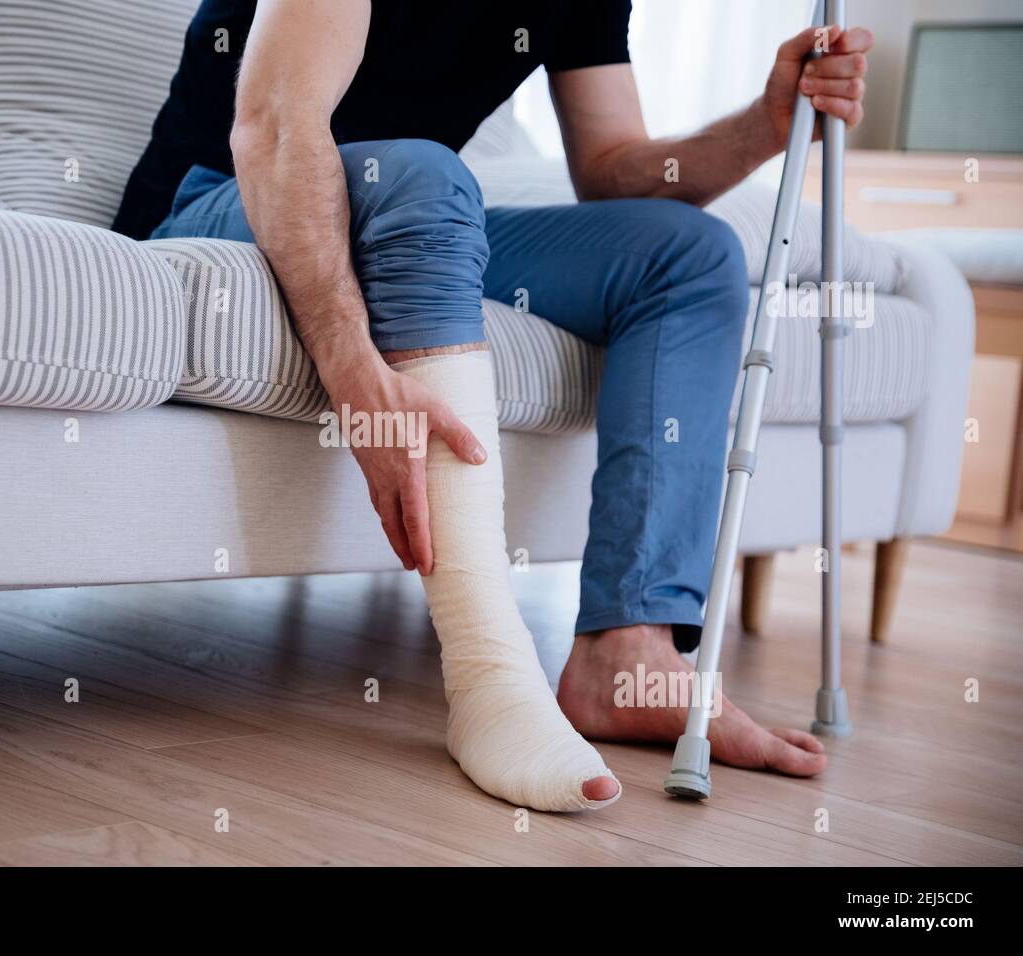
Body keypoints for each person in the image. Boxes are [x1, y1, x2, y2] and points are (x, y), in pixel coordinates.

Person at [113, 0, 872, 811]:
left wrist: (764, 122)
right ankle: (490, 676)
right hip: (222, 209)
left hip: (407, 211)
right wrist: (351, 369)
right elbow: (272, 127)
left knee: (689, 254)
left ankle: (629, 653)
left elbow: (612, 168)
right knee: (428, 174)